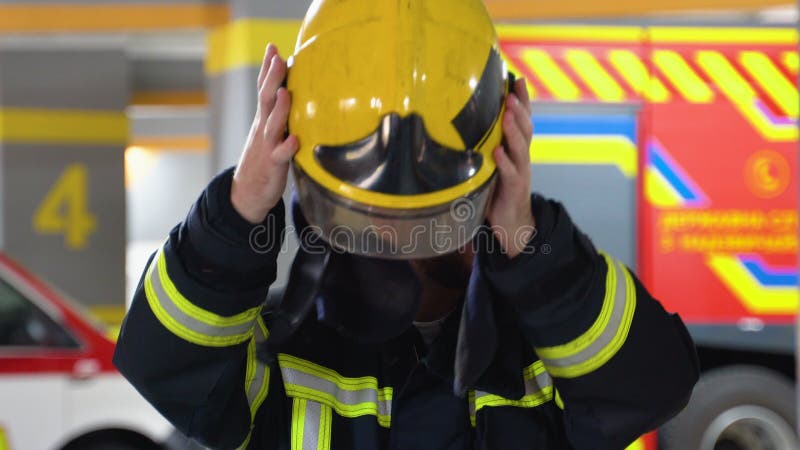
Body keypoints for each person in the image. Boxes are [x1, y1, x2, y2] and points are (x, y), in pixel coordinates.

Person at [113, 2, 699, 449]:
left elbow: (652, 385)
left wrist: (531, 241)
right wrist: (238, 210)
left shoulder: (545, 358)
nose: (403, 246)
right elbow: (165, 364)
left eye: (437, 218)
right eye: (368, 220)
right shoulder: (276, 360)